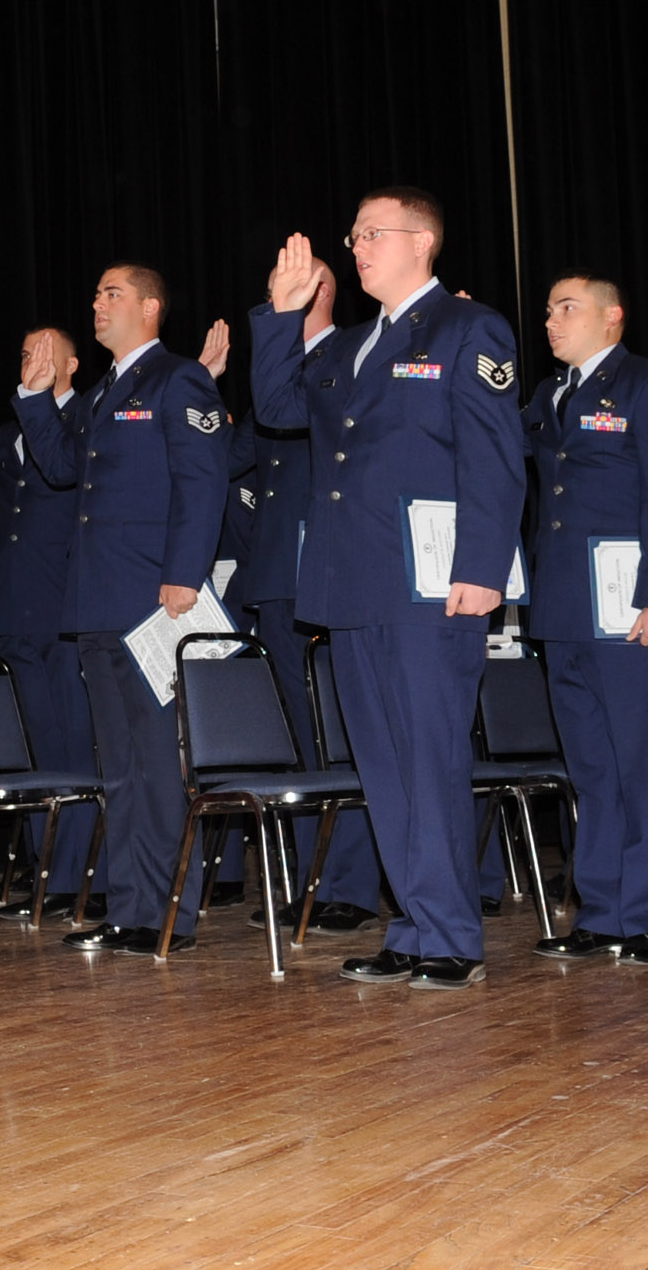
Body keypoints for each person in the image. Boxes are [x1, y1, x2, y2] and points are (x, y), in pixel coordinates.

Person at [251, 187, 524, 992]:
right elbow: (272, 406)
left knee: (429, 757)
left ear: (424, 241)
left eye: (374, 232)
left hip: (428, 585)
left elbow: (495, 458)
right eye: (356, 234)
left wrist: (481, 568)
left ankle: (451, 935)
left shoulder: (468, 328)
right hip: (350, 585)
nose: (359, 246)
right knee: (382, 766)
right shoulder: (345, 349)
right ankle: (413, 924)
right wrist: (279, 314)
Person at [14, 263, 228, 958]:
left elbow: (202, 480)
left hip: (153, 600)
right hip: (99, 602)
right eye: (96, 291)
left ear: (150, 306)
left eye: (112, 293)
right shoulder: (105, 392)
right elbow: (59, 468)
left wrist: (184, 575)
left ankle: (168, 912)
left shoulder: (177, 379)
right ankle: (131, 906)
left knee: (160, 765)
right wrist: (34, 395)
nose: (98, 303)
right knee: (121, 767)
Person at [523, 273, 648, 967]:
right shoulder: (548, 395)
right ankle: (601, 911)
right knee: (591, 768)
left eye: (567, 308)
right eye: (547, 309)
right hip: (564, 607)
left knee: (642, 762)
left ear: (613, 316)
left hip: (629, 607)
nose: (552, 320)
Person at [229, 262, 384, 933]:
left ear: (320, 293)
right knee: (299, 741)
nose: (273, 293)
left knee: (344, 733)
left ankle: (350, 883)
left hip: (330, 570)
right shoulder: (275, 374)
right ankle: (312, 880)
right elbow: (234, 456)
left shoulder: (356, 355)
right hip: (274, 578)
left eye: (289, 283)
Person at [0, 331, 107, 921]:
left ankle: (88, 878)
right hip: (15, 610)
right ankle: (50, 875)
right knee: (37, 754)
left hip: (67, 608)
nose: (31, 361)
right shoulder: (12, 433)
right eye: (23, 354)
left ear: (70, 364)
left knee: (77, 746)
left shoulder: (90, 415)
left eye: (45, 352)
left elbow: (70, 479)